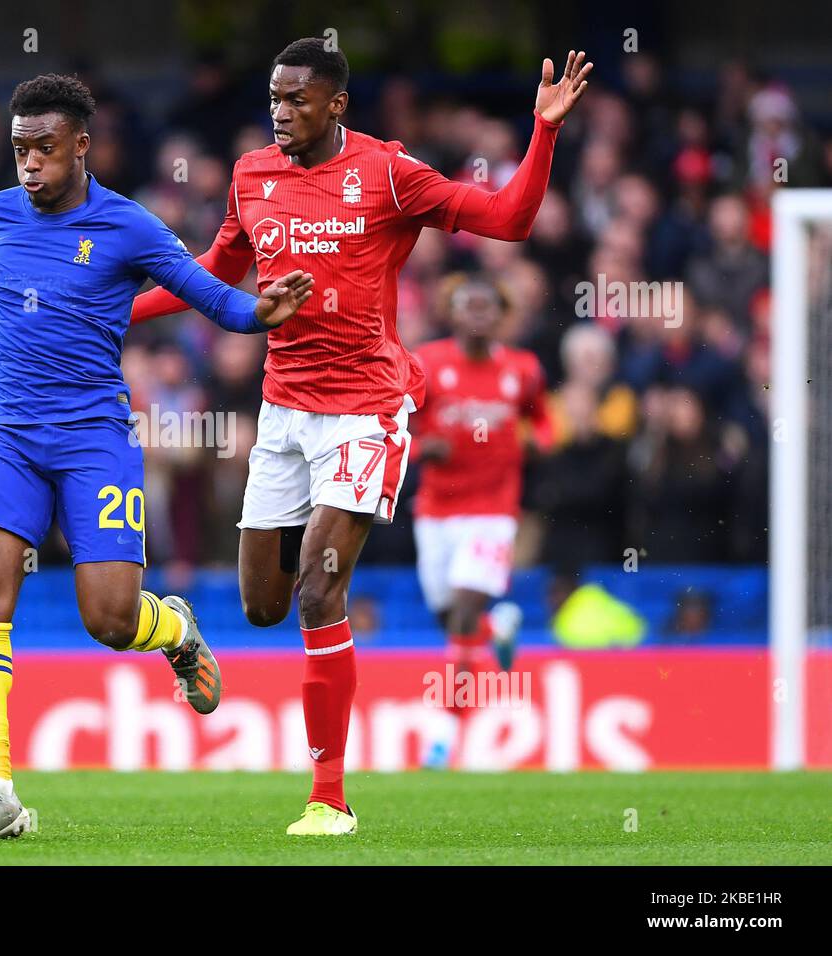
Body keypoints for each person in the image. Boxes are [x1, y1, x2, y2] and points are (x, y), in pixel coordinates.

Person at [0, 74, 313, 840]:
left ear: (82, 145)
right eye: (19, 151)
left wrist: (256, 314)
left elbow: (207, 293)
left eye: (44, 149)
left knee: (108, 620)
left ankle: (172, 630)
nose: (29, 165)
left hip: (93, 440)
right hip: (7, 433)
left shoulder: (129, 226)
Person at [132, 38, 590, 834]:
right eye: (273, 98)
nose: (280, 112)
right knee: (262, 606)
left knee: (318, 588)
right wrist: (108, 314)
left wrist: (543, 132)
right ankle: (183, 630)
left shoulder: (388, 173)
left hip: (366, 409)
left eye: (296, 99)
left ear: (336, 104)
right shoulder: (252, 175)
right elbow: (212, 271)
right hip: (283, 412)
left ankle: (329, 799)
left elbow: (510, 218)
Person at [410, 276, 551, 767]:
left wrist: (540, 442)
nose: (477, 315)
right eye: (468, 306)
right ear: (452, 313)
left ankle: (444, 734)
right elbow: (394, 426)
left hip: (493, 512)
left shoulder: (523, 370)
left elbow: (544, 421)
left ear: (500, 316)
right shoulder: (426, 365)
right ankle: (500, 625)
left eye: (486, 308)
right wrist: (421, 448)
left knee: (462, 619)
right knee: (450, 618)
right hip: (435, 510)